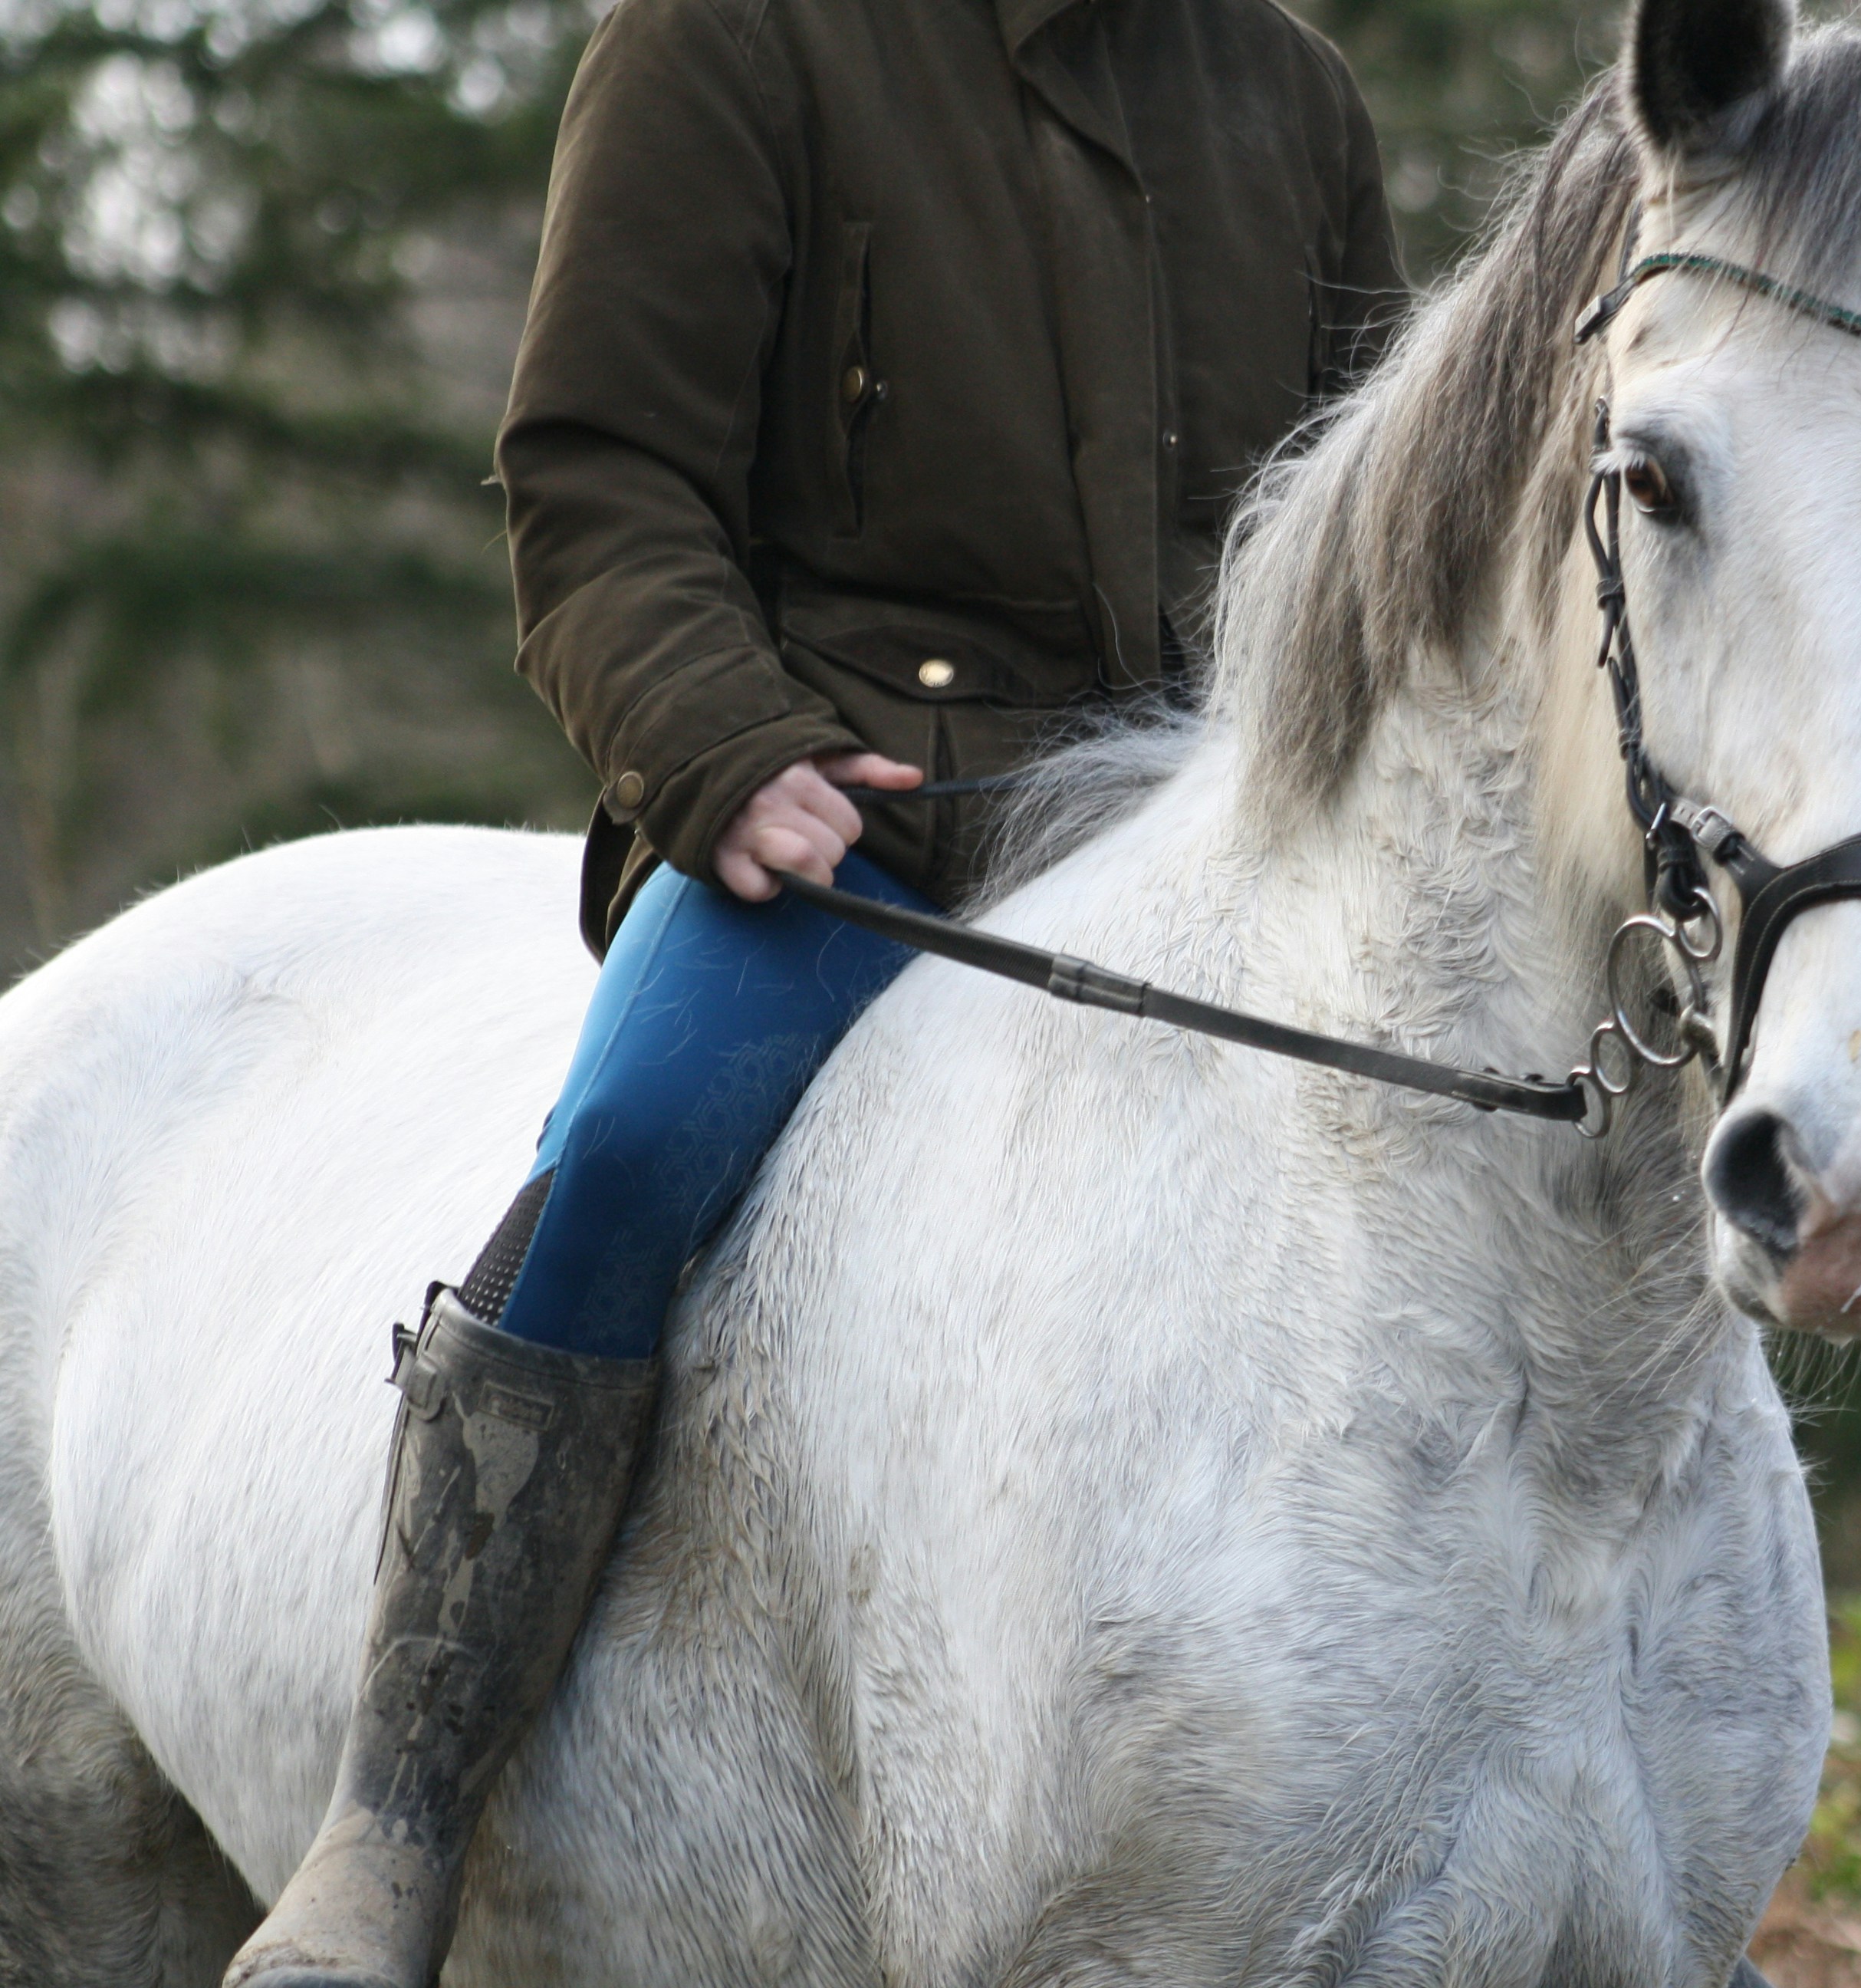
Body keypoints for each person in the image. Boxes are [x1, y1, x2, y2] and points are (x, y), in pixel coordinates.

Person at [223, 0, 1401, 1971]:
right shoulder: (727, 40)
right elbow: (598, 480)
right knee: (622, 1147)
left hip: (1222, 838)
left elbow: (1373, 538)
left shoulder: (1290, 90)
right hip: (853, 816)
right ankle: (394, 1823)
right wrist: (716, 746)